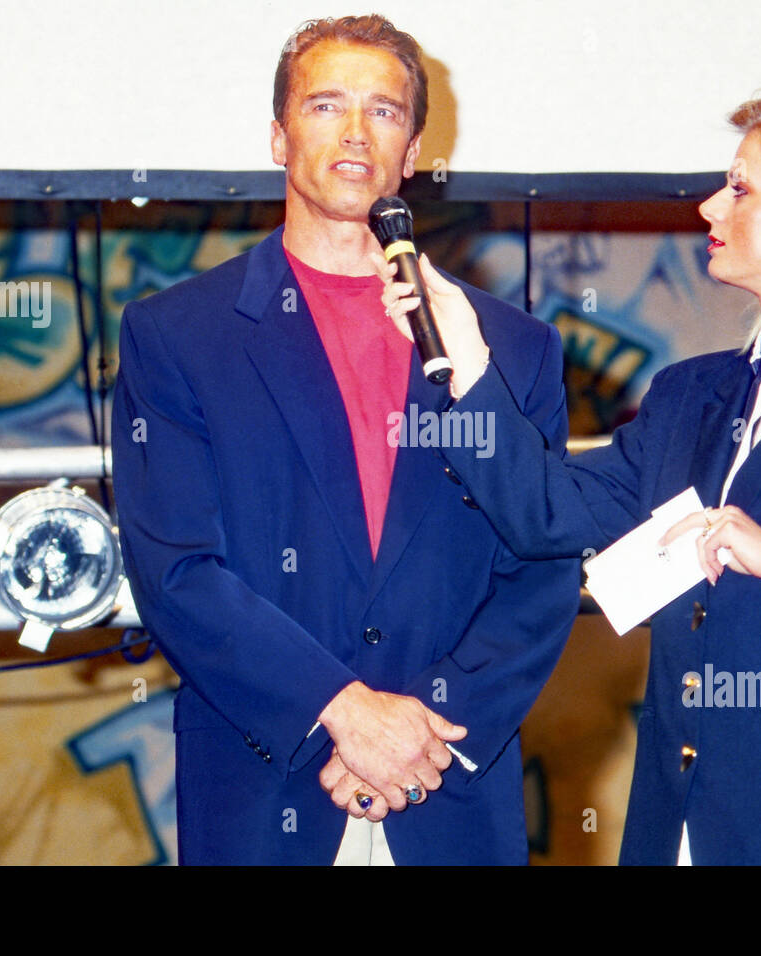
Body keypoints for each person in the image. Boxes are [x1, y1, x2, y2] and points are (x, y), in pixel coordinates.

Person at [381, 89, 761, 864]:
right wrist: (470, 361)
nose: (711, 206)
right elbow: (546, 512)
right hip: (670, 825)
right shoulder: (692, 394)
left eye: (740, 189)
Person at [110, 15, 579, 865]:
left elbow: (542, 569)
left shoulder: (510, 346)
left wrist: (418, 737)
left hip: (449, 787)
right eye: (327, 106)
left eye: (385, 112)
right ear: (280, 136)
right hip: (267, 785)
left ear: (413, 151)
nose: (356, 133)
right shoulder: (177, 335)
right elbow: (177, 571)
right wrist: (343, 710)